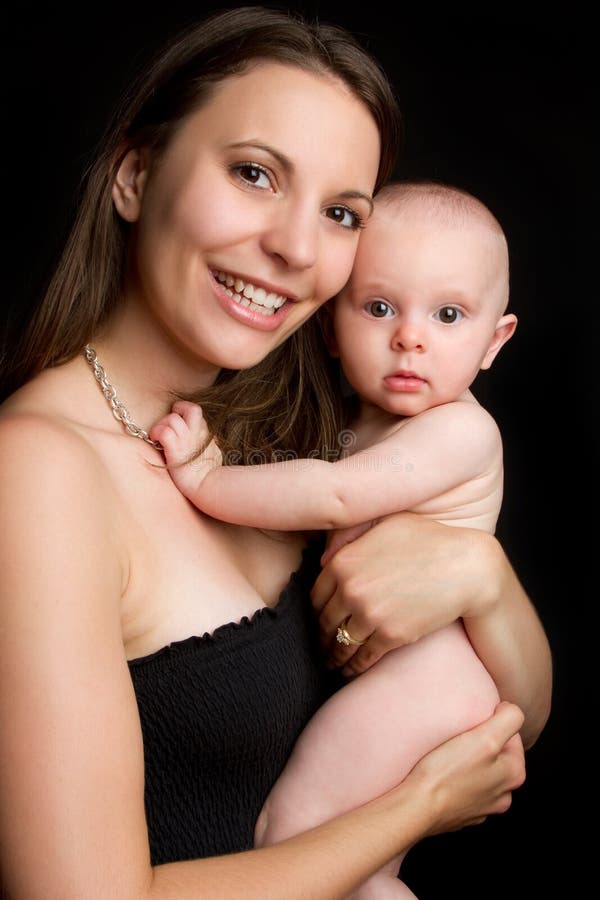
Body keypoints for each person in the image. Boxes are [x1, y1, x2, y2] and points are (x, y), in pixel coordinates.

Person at [0, 6, 551, 900]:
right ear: (136, 175)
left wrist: (482, 576)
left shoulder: (301, 424)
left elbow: (518, 723)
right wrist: (416, 807)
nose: (296, 247)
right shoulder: (38, 471)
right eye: (254, 173)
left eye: (340, 213)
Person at [150, 179, 520, 897]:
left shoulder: (461, 431)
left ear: (494, 340)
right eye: (379, 308)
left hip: (428, 682)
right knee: (354, 865)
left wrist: (204, 481)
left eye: (448, 315)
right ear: (330, 325)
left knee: (295, 840)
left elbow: (335, 492)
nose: (409, 336)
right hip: (407, 677)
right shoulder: (359, 418)